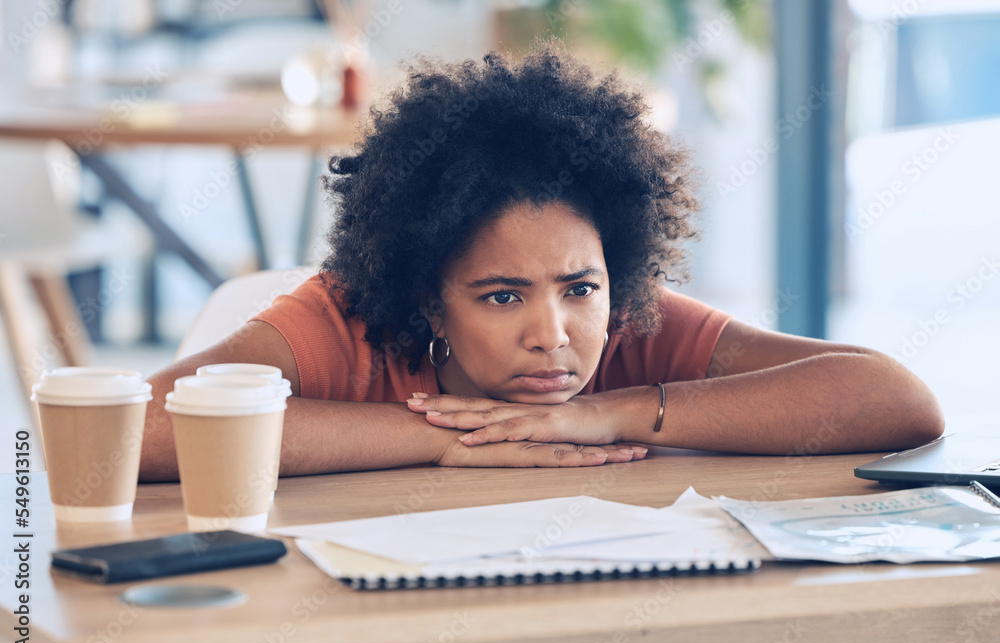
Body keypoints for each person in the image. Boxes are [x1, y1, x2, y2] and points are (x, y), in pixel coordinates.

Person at [138, 41, 944, 482]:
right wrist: (443, 440)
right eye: (499, 297)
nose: (553, 334)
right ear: (427, 298)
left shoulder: (627, 319)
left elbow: (896, 400)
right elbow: (131, 431)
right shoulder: (341, 321)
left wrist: (611, 413)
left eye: (578, 288)